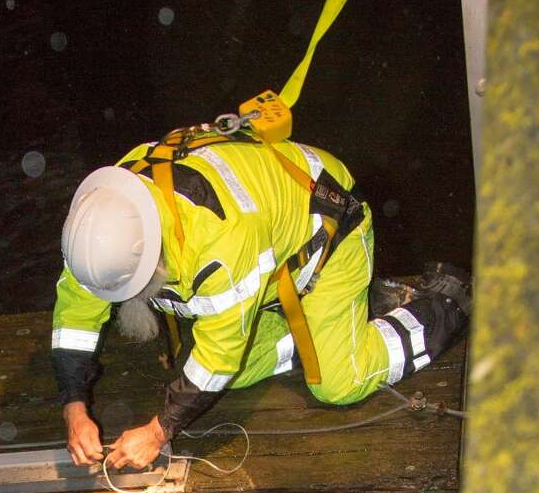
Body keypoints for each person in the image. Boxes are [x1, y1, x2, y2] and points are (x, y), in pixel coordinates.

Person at [50, 128, 469, 470]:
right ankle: (343, 320)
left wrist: (157, 432)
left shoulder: (219, 246)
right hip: (269, 257)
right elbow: (76, 313)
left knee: (340, 383)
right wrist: (74, 407)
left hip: (333, 228)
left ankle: (446, 301)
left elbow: (217, 358)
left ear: (153, 262)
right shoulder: (106, 225)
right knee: (235, 372)